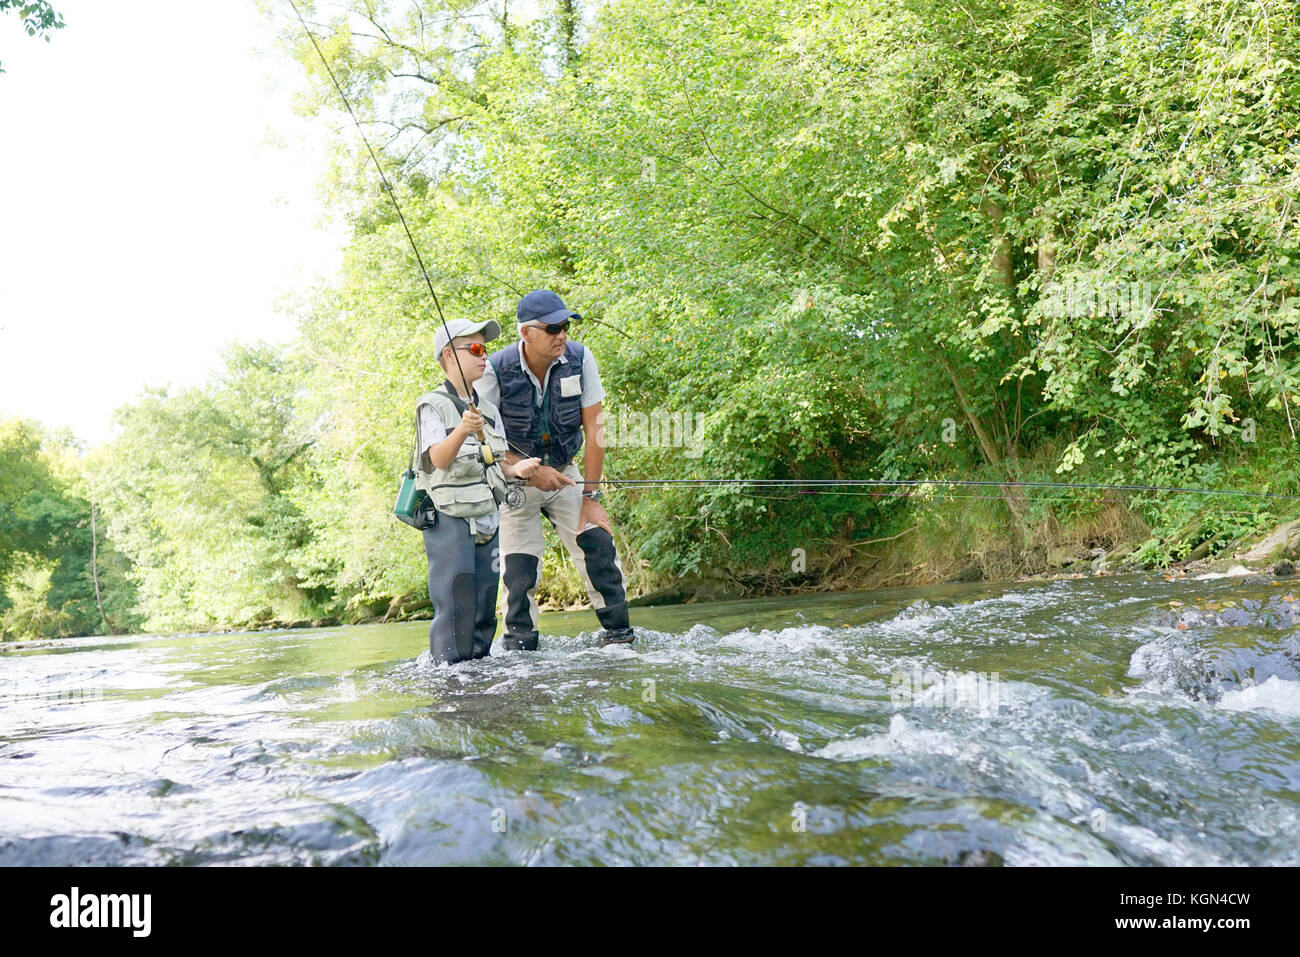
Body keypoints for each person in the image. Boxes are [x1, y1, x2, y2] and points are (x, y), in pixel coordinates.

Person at [477, 289, 636, 650]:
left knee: (598, 546)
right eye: (553, 328)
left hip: (566, 472)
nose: (562, 334)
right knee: (519, 574)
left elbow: (595, 429)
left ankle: (621, 641)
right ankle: (521, 652)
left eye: (565, 325)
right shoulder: (494, 372)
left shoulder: (580, 358)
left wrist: (591, 496)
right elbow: (484, 443)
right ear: (526, 333)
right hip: (516, 479)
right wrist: (526, 471)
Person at [414, 317, 539, 664]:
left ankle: (480, 674)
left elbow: (496, 463)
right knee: (457, 601)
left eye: (486, 349)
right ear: (449, 356)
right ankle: (450, 677)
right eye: (475, 349)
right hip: (449, 518)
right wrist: (462, 430)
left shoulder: (490, 410)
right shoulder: (432, 405)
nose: (485, 356)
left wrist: (517, 469)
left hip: (488, 515)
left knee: (485, 600)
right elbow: (438, 458)